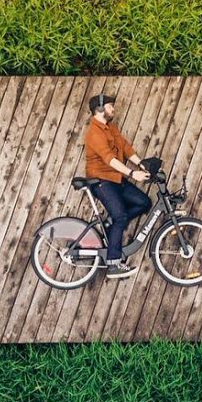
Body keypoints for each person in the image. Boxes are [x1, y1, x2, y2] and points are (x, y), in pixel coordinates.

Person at [83, 93, 152, 279]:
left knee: (144, 202)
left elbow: (126, 148)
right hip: (102, 181)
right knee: (120, 216)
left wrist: (141, 164)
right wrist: (132, 173)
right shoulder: (94, 133)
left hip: (116, 179)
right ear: (99, 109)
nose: (113, 109)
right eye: (110, 106)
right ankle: (113, 264)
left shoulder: (110, 128)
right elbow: (109, 159)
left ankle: (111, 224)